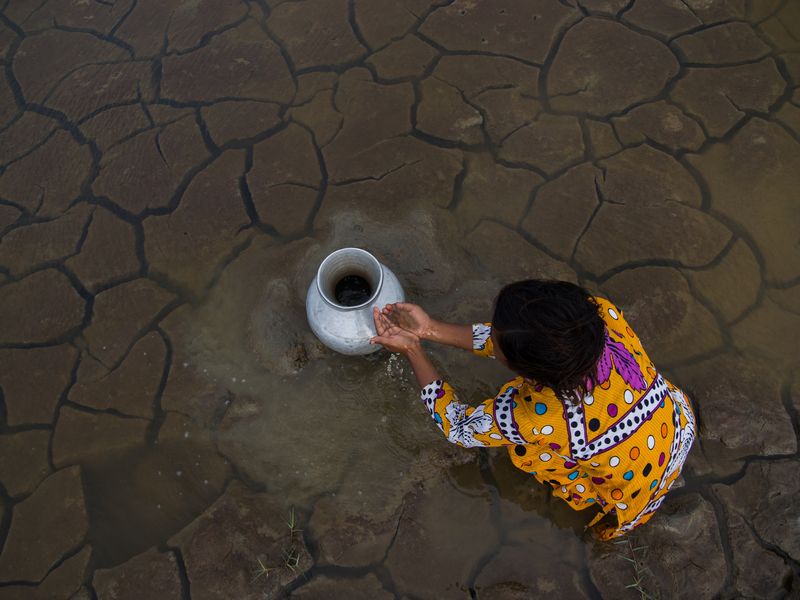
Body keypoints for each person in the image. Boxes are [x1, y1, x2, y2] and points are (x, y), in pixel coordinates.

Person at [370, 279, 695, 540]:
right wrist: (429, 329)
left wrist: (414, 350)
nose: (493, 340)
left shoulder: (535, 416)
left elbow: (458, 428)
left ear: (531, 374)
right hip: (676, 424)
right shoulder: (597, 316)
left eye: (497, 347)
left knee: (528, 447)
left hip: (631, 489)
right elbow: (515, 340)